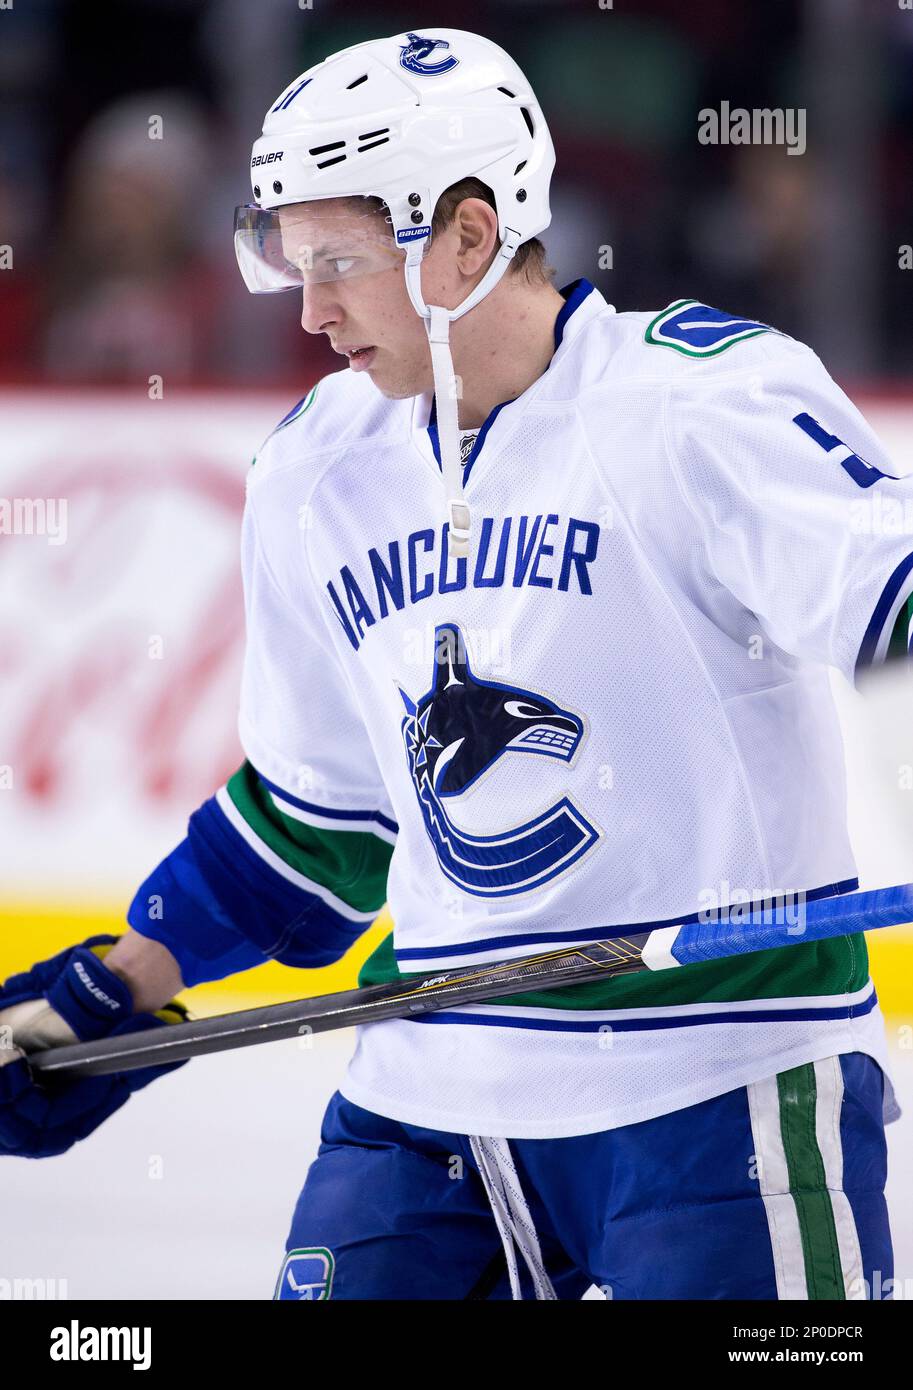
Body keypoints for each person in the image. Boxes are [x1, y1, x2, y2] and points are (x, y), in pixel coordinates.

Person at [2, 27, 910, 1301]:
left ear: (469, 237)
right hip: (432, 1086)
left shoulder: (700, 403)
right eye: (285, 259)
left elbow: (894, 595)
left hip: (725, 1078)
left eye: (338, 264)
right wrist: (119, 983)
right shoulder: (316, 468)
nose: (308, 310)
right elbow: (324, 822)